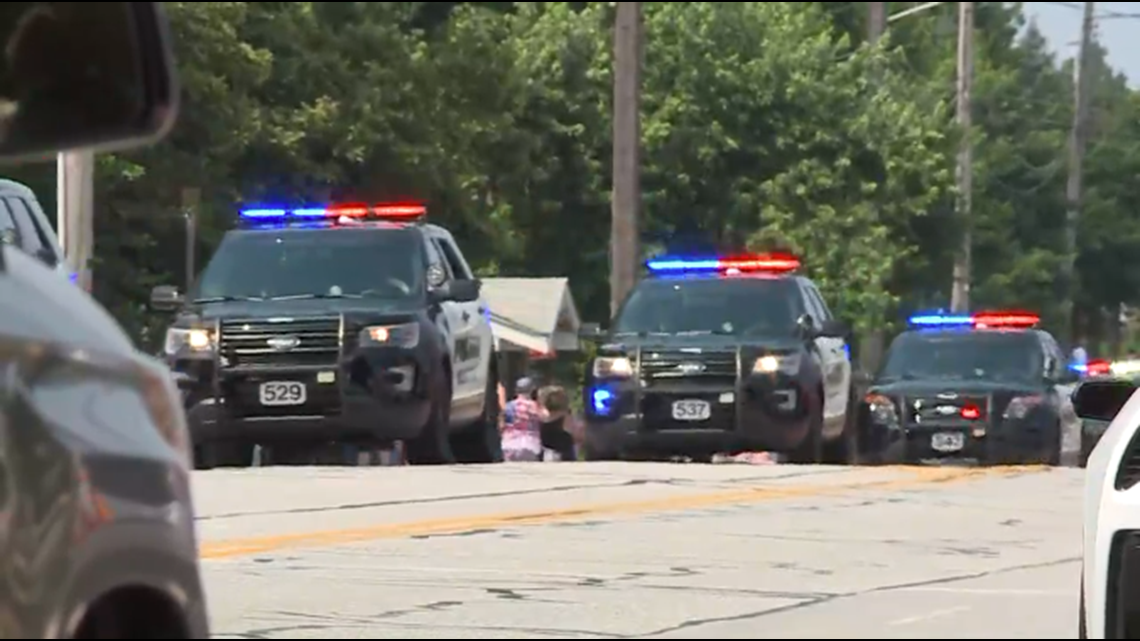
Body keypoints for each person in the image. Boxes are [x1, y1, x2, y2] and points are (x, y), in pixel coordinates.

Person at [500, 377, 548, 461]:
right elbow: (546, 417)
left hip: (509, 444)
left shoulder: (508, 406)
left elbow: (501, 425)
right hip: (530, 445)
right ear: (532, 390)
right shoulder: (534, 406)